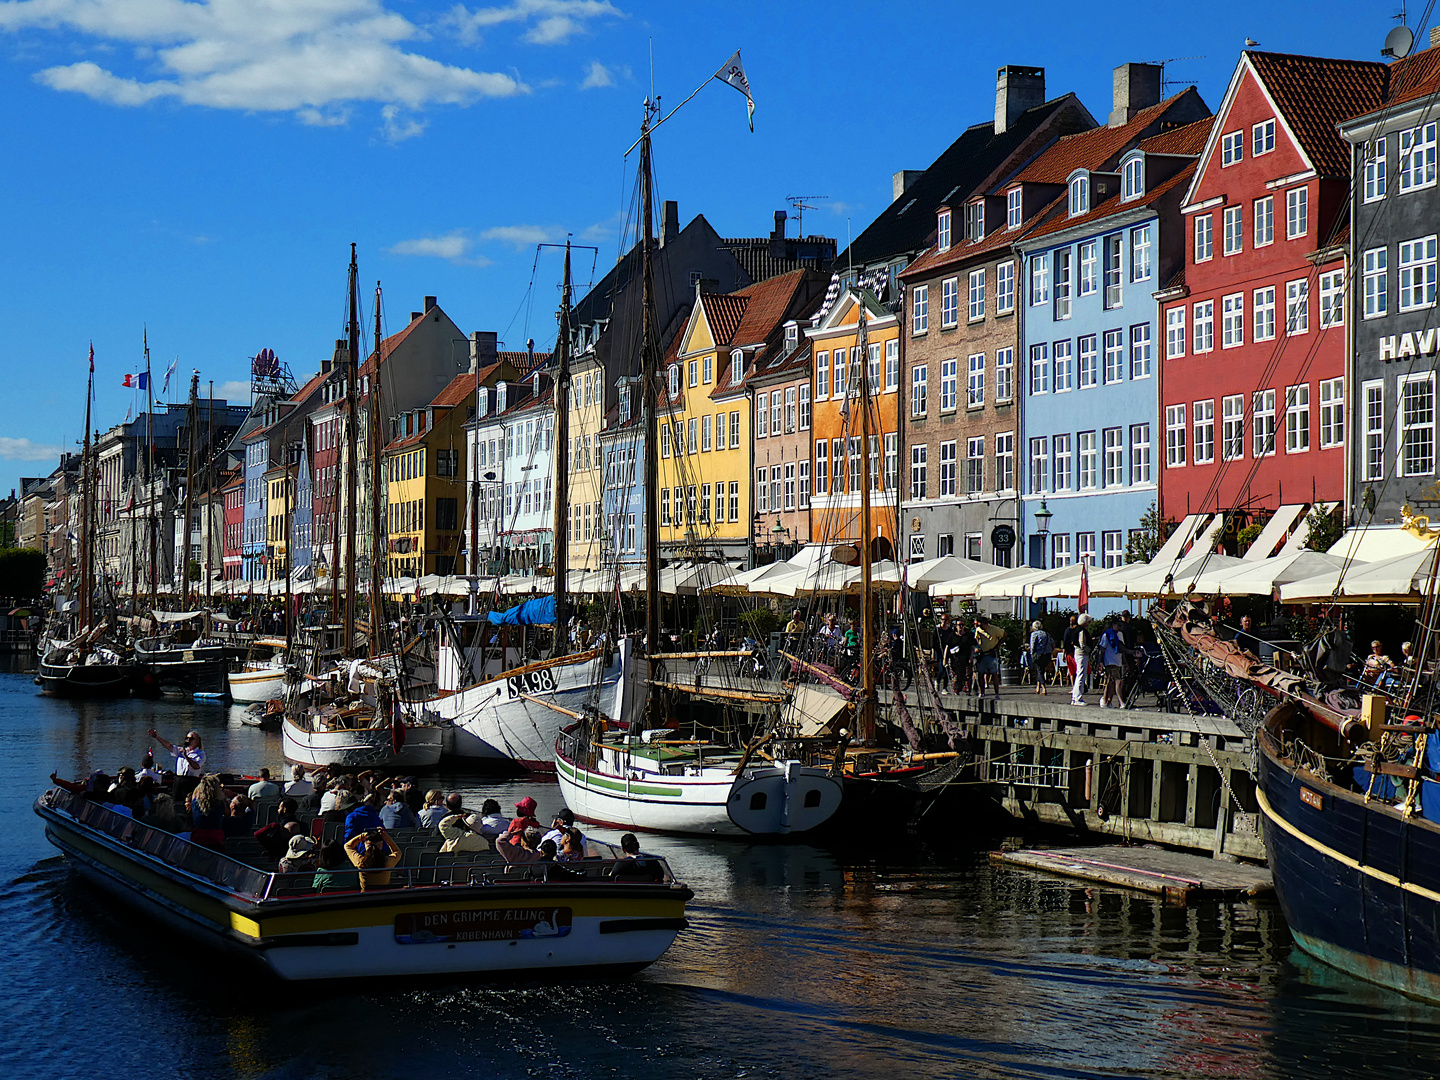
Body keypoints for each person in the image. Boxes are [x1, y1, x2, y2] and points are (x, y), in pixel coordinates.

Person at [187, 775, 226, 851]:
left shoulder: (195, 803)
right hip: (215, 841)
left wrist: (203, 783)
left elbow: (195, 793)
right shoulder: (220, 804)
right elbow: (227, 813)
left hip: (197, 840)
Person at [972, 615, 1005, 697]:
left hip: (991, 653)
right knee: (981, 673)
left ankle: (996, 693)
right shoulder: (978, 629)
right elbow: (976, 638)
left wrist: (998, 645)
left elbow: (1004, 634)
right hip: (982, 653)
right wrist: (978, 646)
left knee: (994, 674)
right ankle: (982, 692)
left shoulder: (994, 629)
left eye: (981, 625)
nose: (980, 627)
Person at [1098, 618, 1126, 709]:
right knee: (1117, 681)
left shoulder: (1120, 634)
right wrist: (1100, 661)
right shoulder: (1107, 634)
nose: (1119, 627)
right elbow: (1102, 649)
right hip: (1109, 661)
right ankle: (1120, 701)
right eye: (1118, 625)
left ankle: (1107, 700)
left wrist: (1124, 661)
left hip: (1118, 661)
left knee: (1111, 682)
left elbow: (1122, 648)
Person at [934, 612, 960, 692]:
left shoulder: (950, 631)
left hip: (948, 651)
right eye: (942, 620)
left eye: (945, 620)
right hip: (939, 651)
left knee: (947, 669)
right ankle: (937, 680)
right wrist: (933, 652)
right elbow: (933, 643)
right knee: (942, 668)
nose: (943, 622)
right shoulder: (938, 630)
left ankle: (945, 687)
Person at [1071, 614, 1094, 706]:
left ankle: (1075, 697)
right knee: (1081, 675)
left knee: (1079, 675)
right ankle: (1077, 697)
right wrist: (1089, 650)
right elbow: (1082, 643)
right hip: (1082, 654)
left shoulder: (1076, 630)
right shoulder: (1082, 631)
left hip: (1078, 654)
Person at [1028, 621, 1054, 695]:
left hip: (1038, 654)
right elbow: (1052, 643)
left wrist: (1031, 654)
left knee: (1039, 671)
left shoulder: (1034, 634)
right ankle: (1037, 688)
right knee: (1041, 670)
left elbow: (1032, 645)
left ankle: (1044, 688)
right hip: (1047, 654)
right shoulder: (1047, 634)